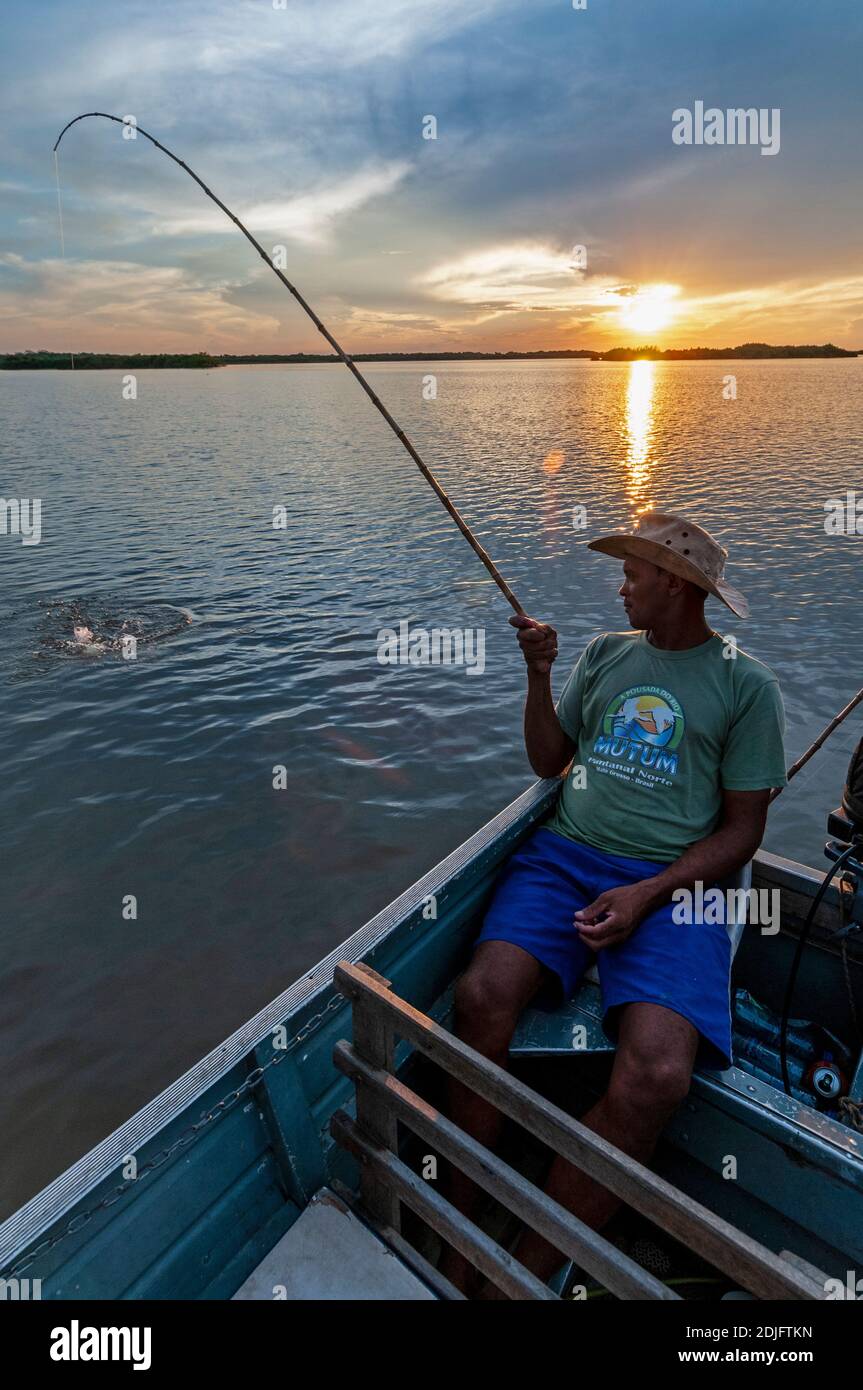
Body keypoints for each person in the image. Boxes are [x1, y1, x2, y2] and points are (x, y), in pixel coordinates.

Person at [440, 510, 788, 1297]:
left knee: (658, 1075)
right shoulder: (602, 656)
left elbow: (740, 835)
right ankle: (460, 1230)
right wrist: (537, 673)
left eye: (631, 573)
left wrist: (647, 892)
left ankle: (522, 1264)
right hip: (563, 858)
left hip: (675, 885)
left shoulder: (745, 685)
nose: (619, 585)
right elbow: (547, 761)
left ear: (672, 583)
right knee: (481, 995)